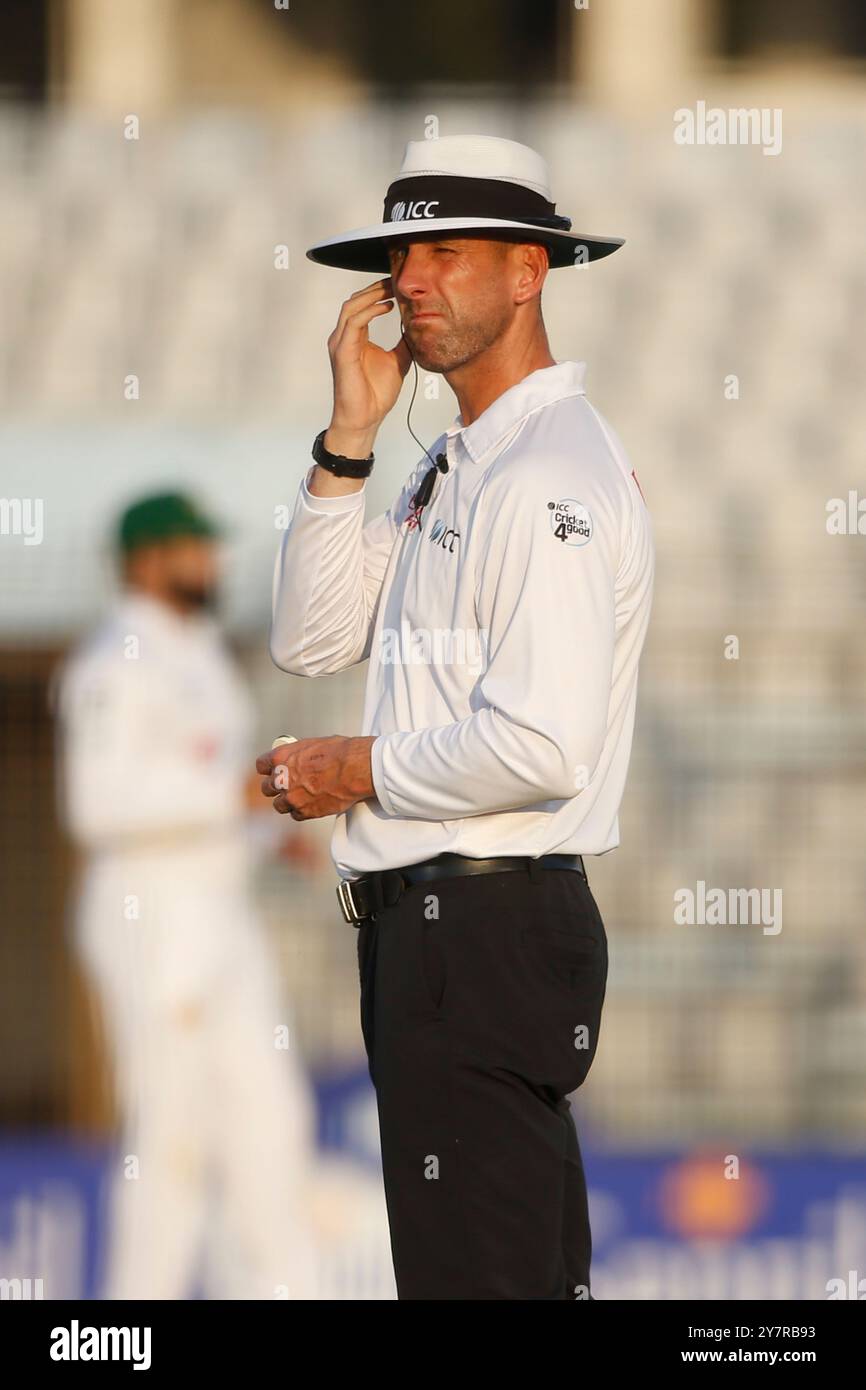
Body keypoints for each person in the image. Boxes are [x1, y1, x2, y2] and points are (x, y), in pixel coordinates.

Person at [260, 134, 654, 1299]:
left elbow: (541, 745)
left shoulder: (542, 475)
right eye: (400, 253)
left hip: (476, 926)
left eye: (445, 248)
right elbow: (310, 633)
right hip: (450, 930)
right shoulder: (463, 461)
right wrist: (349, 440)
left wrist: (349, 766)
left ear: (530, 271)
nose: (411, 279)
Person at [56, 492, 316, 1299]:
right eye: (194, 550)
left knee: (271, 1128)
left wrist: (275, 831)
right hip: (153, 922)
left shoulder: (198, 651)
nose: (212, 565)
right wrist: (229, 794)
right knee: (170, 1141)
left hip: (221, 919)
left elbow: (221, 791)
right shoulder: (111, 664)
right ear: (146, 560)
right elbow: (96, 807)